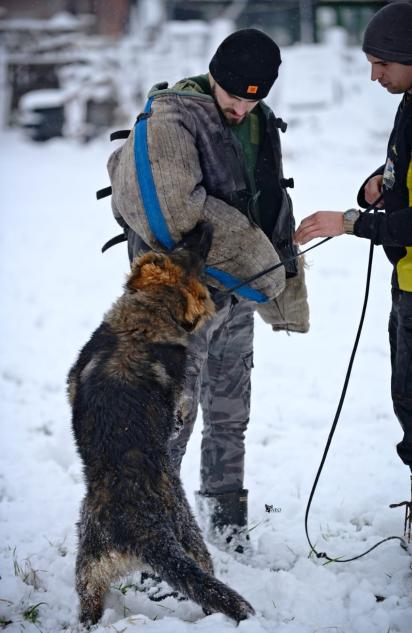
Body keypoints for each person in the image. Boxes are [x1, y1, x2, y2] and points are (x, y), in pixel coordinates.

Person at [106, 28, 309, 553]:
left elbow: (262, 195)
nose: (242, 108)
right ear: (214, 78)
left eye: (255, 97)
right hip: (182, 300)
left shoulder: (257, 119)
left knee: (230, 411)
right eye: (235, 96)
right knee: (172, 415)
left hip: (237, 294)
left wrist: (276, 260)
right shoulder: (175, 117)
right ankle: (158, 541)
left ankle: (226, 526)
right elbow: (174, 211)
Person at [294, 2, 412, 524]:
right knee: (406, 400)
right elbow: (402, 171)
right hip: (405, 277)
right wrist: (379, 182)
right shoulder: (409, 100)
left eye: (383, 63)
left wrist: (350, 222)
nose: (374, 75)